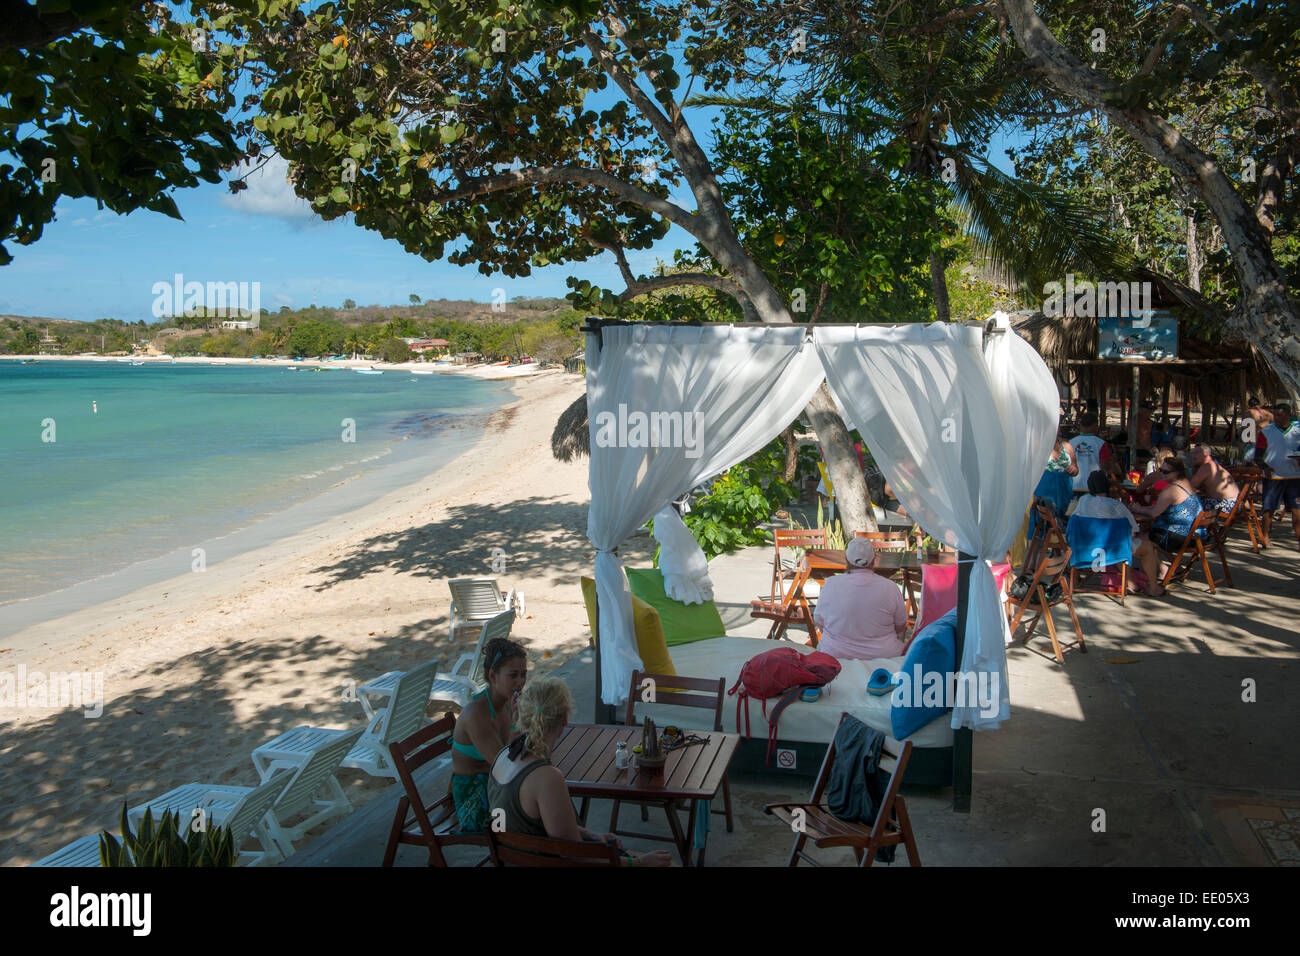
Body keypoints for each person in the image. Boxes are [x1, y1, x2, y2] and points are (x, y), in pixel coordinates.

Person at [487, 677, 672, 866]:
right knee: (667, 863)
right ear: (565, 719)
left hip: (514, 859)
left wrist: (590, 834)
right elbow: (576, 856)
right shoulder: (547, 779)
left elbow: (547, 828)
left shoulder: (503, 757)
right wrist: (639, 863)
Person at [449, 636, 528, 833]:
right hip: (475, 800)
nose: (521, 682)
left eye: (524, 674)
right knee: (536, 803)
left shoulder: (508, 703)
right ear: (493, 677)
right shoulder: (476, 715)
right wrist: (517, 727)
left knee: (546, 791)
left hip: (498, 786)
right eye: (513, 675)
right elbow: (504, 767)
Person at [812, 536, 908, 660]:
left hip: (835, 654)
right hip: (884, 655)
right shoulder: (890, 587)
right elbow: (900, 625)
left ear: (846, 559)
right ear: (874, 560)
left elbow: (819, 621)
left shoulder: (830, 583)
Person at [1129, 457, 1208, 596]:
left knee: (1142, 540)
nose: (1162, 474)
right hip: (1197, 534)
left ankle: (1161, 570)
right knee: (1149, 533)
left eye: (1166, 472)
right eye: (1161, 470)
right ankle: (1169, 568)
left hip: (1182, 536)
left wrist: (1138, 508)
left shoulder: (1171, 490)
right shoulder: (1187, 483)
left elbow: (1154, 513)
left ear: (1177, 472)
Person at [1256, 401, 1300, 550]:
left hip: (1295, 477)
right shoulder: (1265, 432)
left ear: (1288, 415)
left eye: (1280, 415)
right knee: (1269, 509)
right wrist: (1265, 467)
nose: (1276, 418)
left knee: (1296, 510)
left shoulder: (1297, 432)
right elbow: (1258, 457)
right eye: (1275, 415)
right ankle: (1265, 537)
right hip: (1273, 478)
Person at [1073, 470, 1139, 532]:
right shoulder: (1116, 505)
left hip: (1087, 541)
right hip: (1111, 542)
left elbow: (1073, 521)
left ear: (1089, 485)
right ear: (1108, 485)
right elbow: (1134, 528)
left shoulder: (1083, 500)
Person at [1069, 413, 1119, 491]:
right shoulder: (1101, 444)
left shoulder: (1070, 443)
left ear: (1080, 425)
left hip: (1073, 486)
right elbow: (1105, 467)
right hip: (1094, 488)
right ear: (1096, 426)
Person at [1189, 444, 1240, 515]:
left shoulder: (1207, 466)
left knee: (1186, 503)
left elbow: (1190, 486)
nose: (1193, 455)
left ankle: (1189, 525)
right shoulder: (1215, 465)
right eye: (1193, 452)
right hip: (1234, 505)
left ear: (1207, 454)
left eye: (1197, 452)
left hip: (1224, 505)